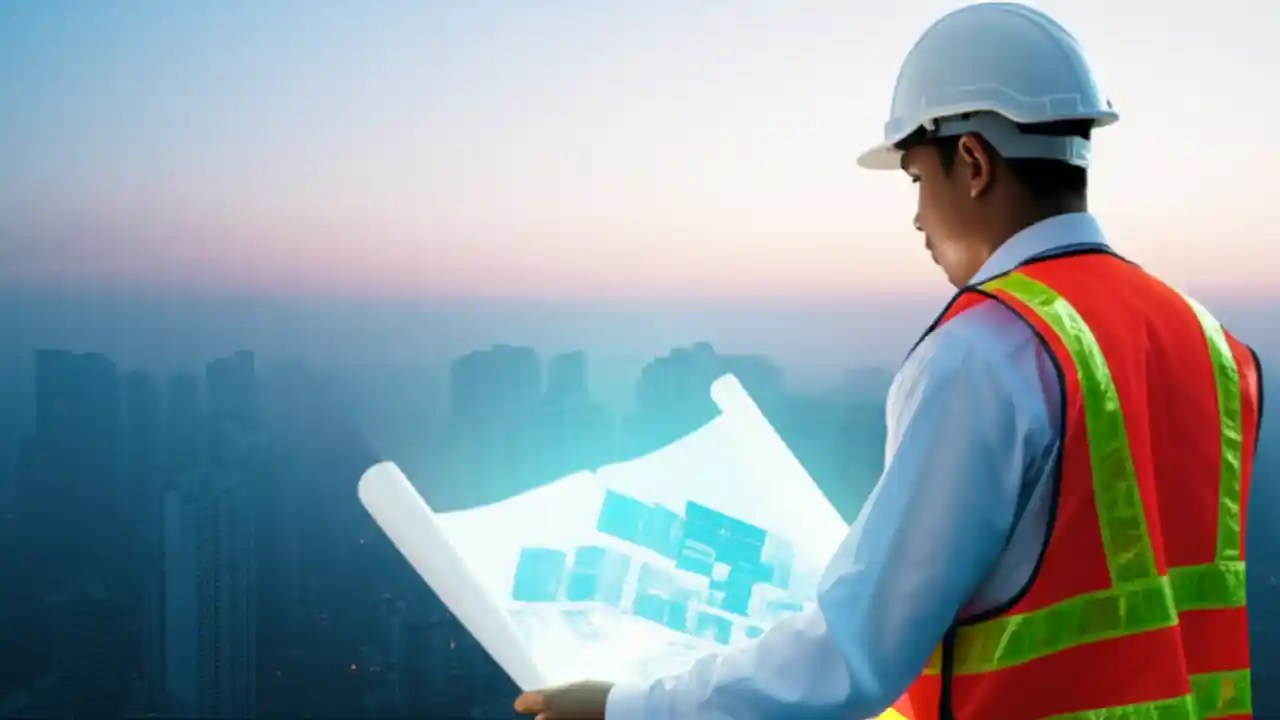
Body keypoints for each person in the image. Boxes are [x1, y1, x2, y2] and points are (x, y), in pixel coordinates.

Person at [514, 3, 1263, 718]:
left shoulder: (987, 352)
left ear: (972, 161)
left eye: (916, 178)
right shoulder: (1214, 346)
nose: (916, 217)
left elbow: (851, 656)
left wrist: (630, 707)